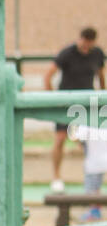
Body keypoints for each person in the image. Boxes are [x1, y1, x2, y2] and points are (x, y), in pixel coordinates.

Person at [45, 27, 106, 190]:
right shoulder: (67, 53)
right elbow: (48, 74)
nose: (86, 46)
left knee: (91, 143)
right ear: (80, 39)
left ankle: (91, 181)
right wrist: (52, 98)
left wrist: (102, 98)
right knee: (60, 139)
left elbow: (101, 76)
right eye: (84, 42)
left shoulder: (97, 54)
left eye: (90, 44)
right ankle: (56, 177)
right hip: (66, 103)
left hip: (87, 103)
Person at [73, 123, 107, 221]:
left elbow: (77, 138)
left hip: (93, 163)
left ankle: (94, 211)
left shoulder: (86, 123)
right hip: (100, 160)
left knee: (92, 188)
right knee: (94, 187)